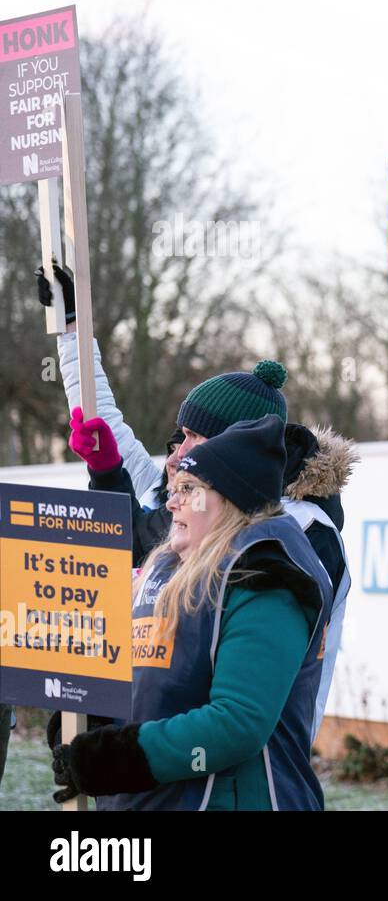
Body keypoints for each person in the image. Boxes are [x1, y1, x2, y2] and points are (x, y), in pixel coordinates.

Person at [44, 267, 357, 738]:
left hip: (253, 760)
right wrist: (71, 325)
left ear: (241, 448)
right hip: (160, 743)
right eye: (179, 435)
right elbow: (98, 415)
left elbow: (178, 560)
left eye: (195, 437)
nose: (177, 452)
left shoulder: (299, 531)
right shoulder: (174, 492)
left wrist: (118, 494)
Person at [49, 416, 334, 810]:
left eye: (188, 489)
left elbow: (237, 723)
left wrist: (116, 757)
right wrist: (93, 723)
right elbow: (152, 675)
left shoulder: (268, 581)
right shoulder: (173, 565)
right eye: (173, 488)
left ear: (231, 499)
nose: (170, 502)